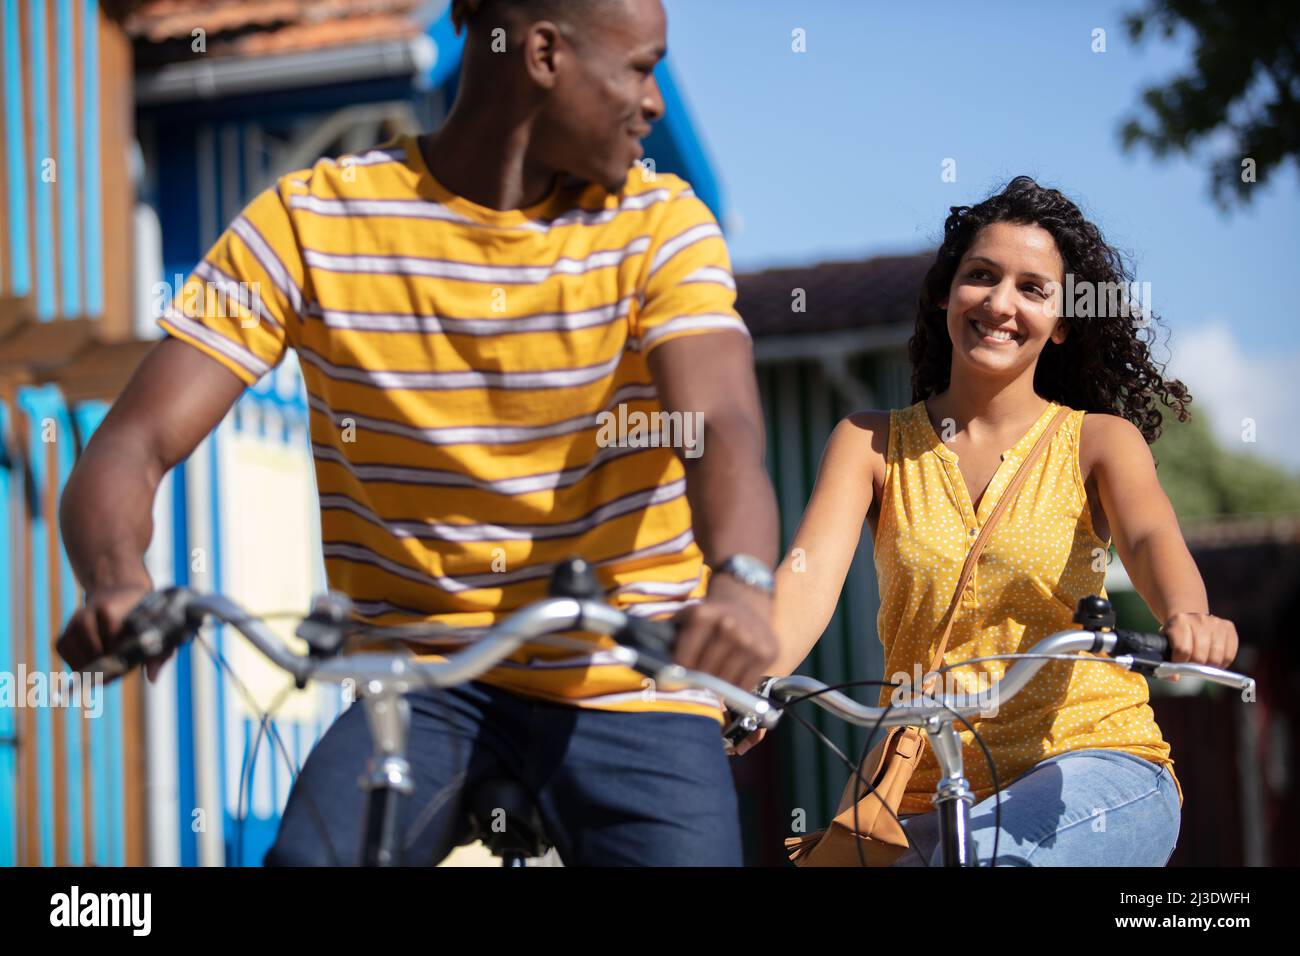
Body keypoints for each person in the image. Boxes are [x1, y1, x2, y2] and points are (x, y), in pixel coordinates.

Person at [57, 0, 780, 866]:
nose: (655, 99)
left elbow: (718, 421)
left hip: (629, 685)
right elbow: (132, 442)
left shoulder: (660, 225)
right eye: (639, 66)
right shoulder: (311, 222)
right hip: (418, 685)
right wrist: (115, 579)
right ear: (543, 52)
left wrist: (739, 577)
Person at [757, 176, 1239, 866]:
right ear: (945, 293)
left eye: (1032, 288)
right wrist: (741, 687)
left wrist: (1189, 614)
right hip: (925, 787)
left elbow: (1149, 536)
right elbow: (804, 585)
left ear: (1063, 321)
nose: (1000, 303)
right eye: (981, 276)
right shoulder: (869, 443)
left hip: (1092, 766)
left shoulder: (1098, 442)